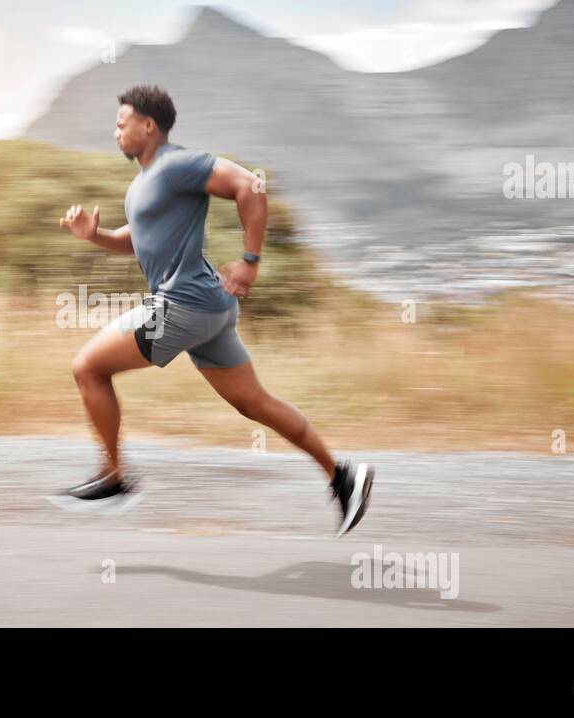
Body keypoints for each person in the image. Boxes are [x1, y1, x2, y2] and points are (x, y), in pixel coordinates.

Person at [57, 85, 372, 537]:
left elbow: (250, 185)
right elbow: (136, 241)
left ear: (149, 125)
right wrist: (94, 235)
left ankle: (113, 477)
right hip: (207, 309)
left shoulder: (177, 164)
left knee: (88, 367)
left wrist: (250, 261)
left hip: (182, 304)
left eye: (121, 124)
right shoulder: (145, 184)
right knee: (255, 403)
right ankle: (343, 477)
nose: (115, 133)